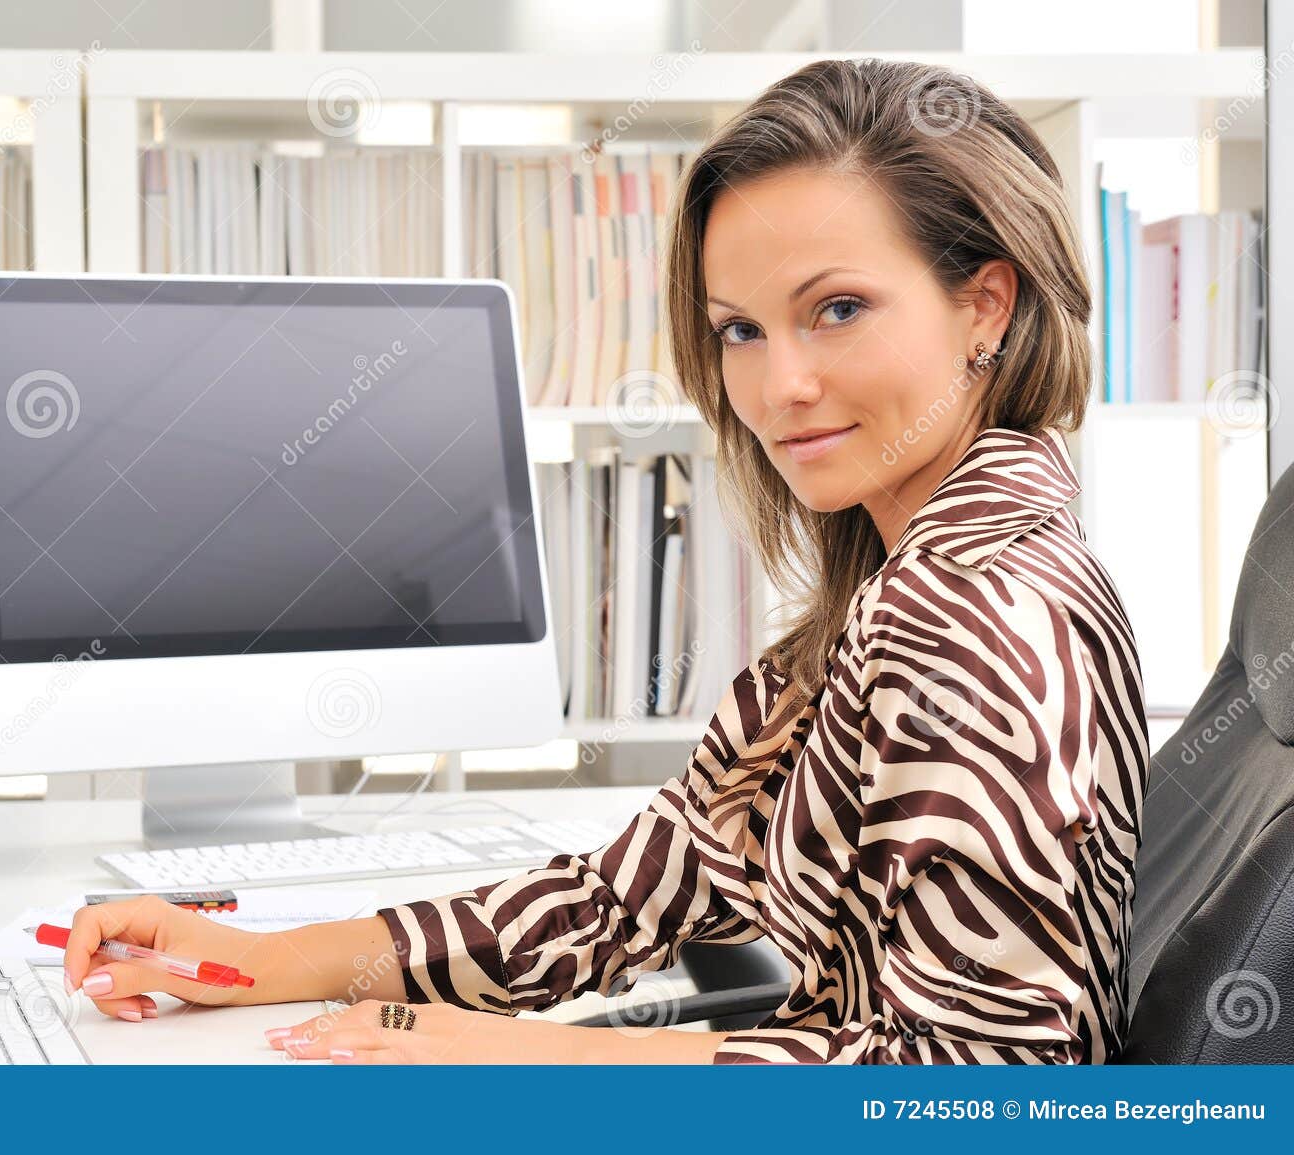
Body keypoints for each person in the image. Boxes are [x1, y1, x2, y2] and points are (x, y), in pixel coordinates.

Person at [63, 57, 1149, 1064]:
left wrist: (534, 1057)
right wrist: (260, 961)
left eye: (838, 310)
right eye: (741, 331)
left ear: (984, 307)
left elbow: (993, 1086)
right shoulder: (908, 576)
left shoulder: (974, 609)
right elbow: (623, 899)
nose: (780, 388)